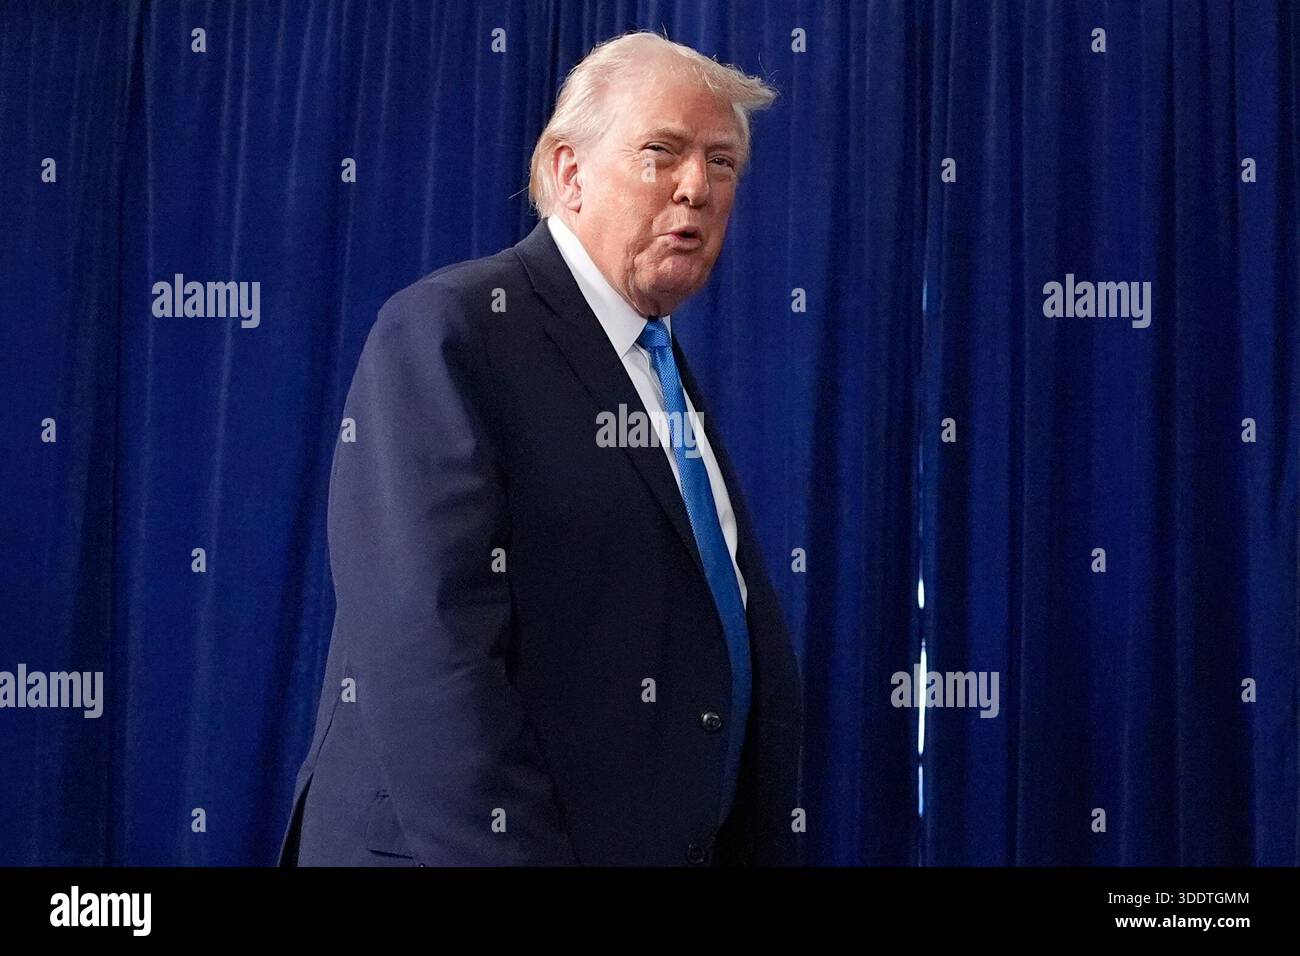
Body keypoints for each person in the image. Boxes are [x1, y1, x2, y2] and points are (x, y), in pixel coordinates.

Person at [277, 29, 803, 867]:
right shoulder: (452, 331)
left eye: (722, 162)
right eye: (661, 153)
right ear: (567, 172)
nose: (696, 188)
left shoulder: (655, 362)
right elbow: (429, 651)